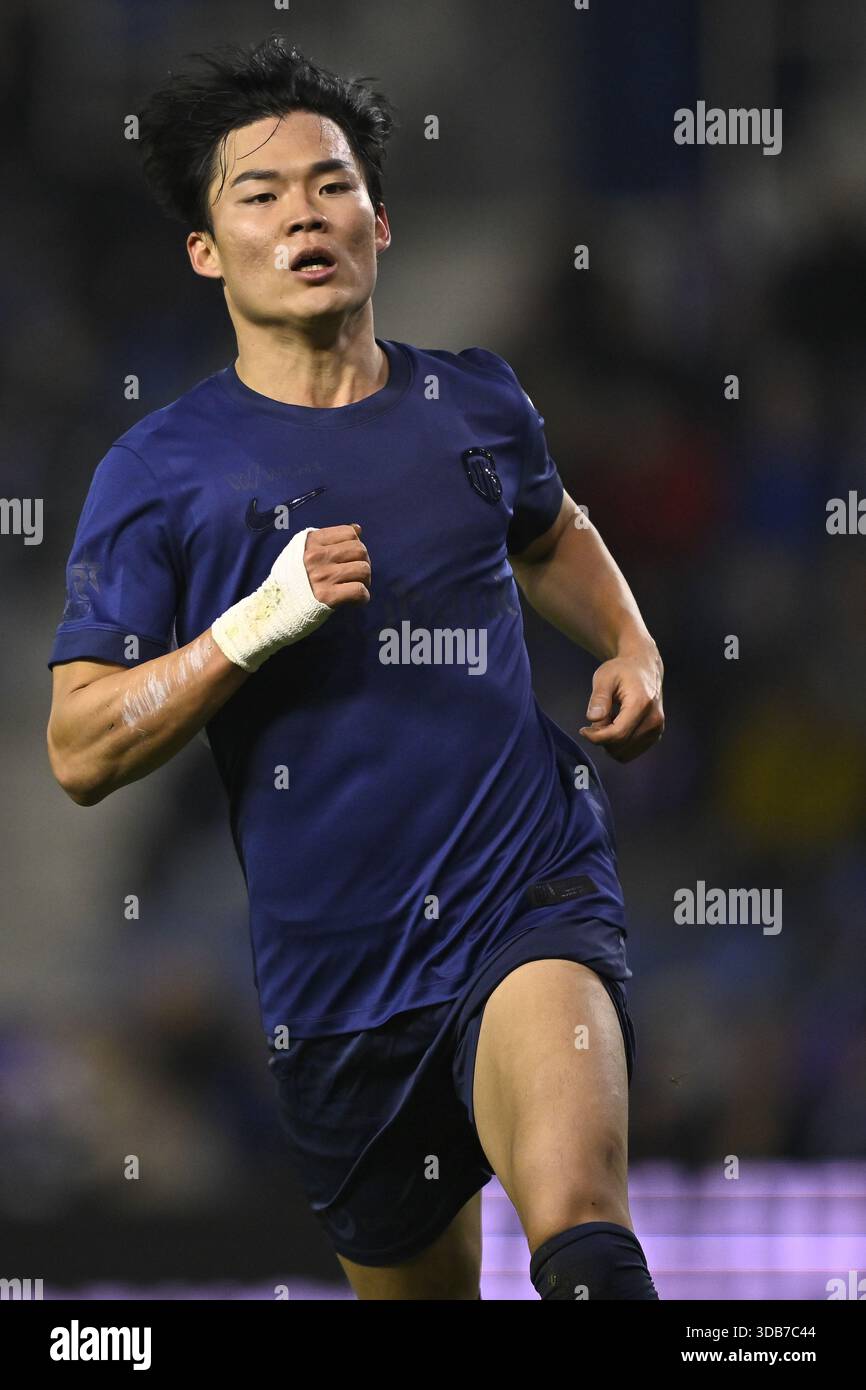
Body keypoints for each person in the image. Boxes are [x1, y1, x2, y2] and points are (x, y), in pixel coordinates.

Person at [46, 36, 664, 1300]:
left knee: (581, 1223)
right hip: (335, 986)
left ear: (378, 223)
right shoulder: (158, 475)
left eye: (329, 184)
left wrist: (629, 640)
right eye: (257, 195)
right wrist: (247, 628)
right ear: (207, 253)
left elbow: (549, 528)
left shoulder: (478, 402)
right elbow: (79, 746)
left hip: (523, 889)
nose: (301, 214)